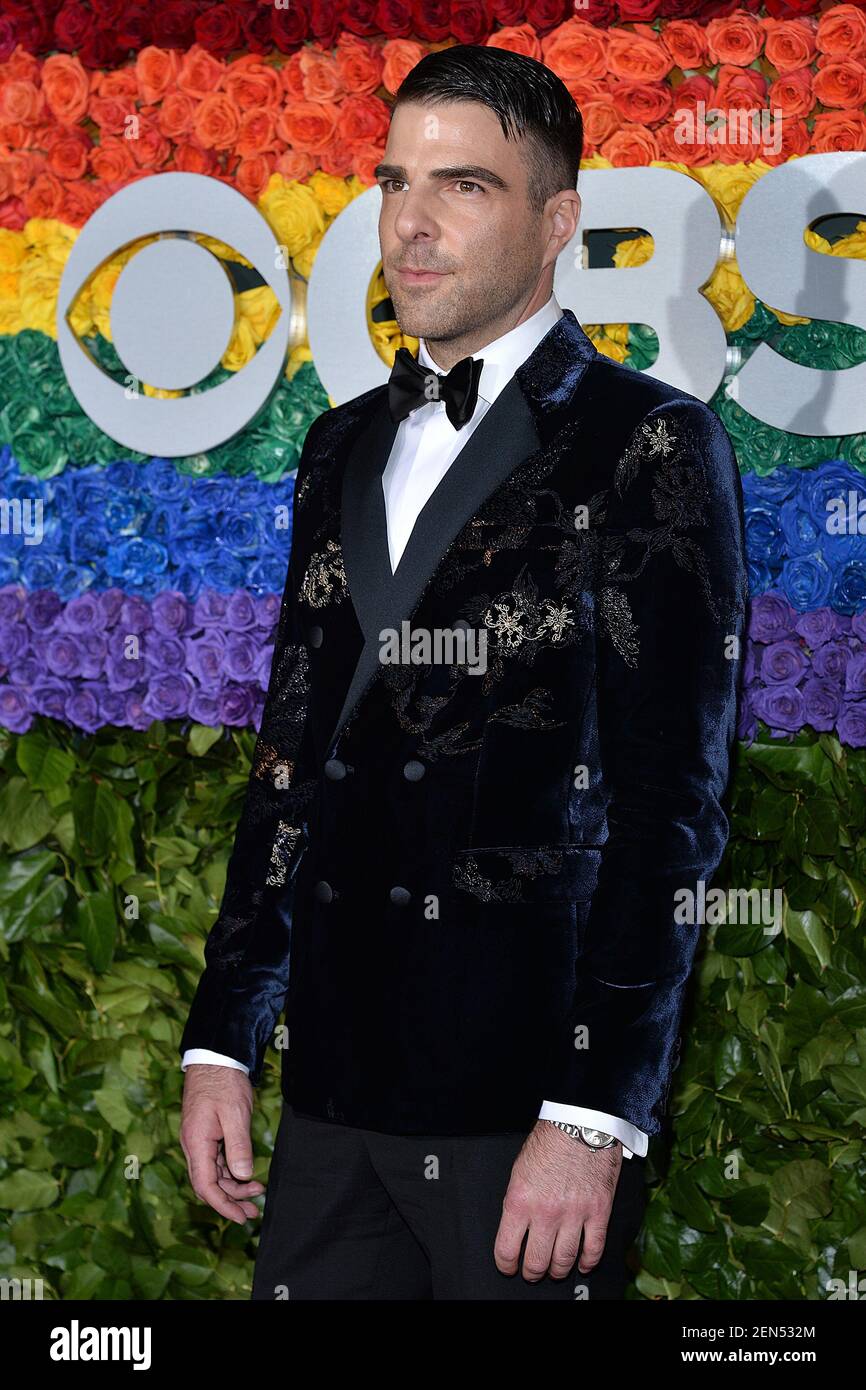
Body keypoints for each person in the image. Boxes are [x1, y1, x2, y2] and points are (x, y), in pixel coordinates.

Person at [179, 44, 748, 1301]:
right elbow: (290, 750)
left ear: (556, 222)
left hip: (520, 1104)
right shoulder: (338, 445)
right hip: (333, 1086)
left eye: (464, 187)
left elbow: (672, 806)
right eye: (393, 181)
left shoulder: (648, 441)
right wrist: (224, 1035)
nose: (410, 225)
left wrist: (593, 1114)